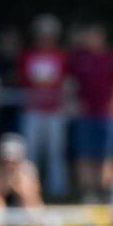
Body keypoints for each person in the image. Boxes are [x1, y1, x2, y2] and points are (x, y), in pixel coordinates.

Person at [17, 15, 70, 200]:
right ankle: (28, 190)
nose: (45, 38)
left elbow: (65, 81)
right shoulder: (27, 56)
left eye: (49, 35)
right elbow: (23, 79)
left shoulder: (61, 56)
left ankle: (57, 191)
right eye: (42, 34)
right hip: (32, 111)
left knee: (55, 152)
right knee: (30, 152)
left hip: (55, 111)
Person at [66, 23, 113, 202]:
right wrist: (72, 102)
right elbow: (69, 83)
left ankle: (106, 192)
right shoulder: (77, 58)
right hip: (84, 115)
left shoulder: (110, 57)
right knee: (84, 154)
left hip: (107, 116)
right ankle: (88, 193)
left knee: (108, 154)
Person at [0, 133, 45, 226]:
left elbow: (32, 194)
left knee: (31, 204)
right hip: (3, 208)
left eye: (13, 160)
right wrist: (7, 181)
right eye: (7, 159)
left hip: (22, 206)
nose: (9, 163)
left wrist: (17, 183)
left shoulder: (28, 169)